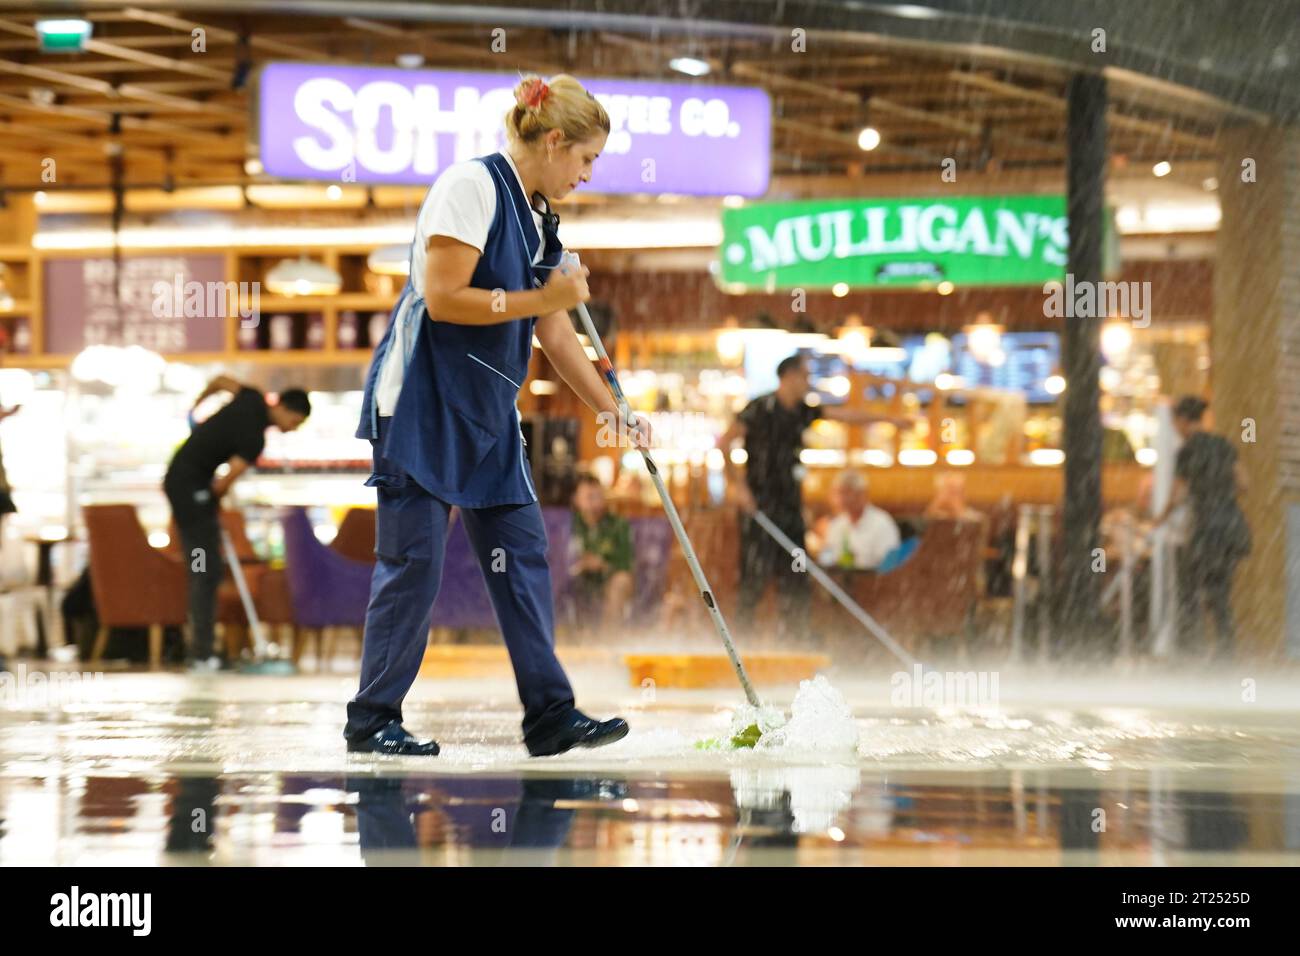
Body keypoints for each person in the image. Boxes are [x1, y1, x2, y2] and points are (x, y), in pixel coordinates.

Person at [345, 74, 650, 758]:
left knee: (525, 555)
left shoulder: (541, 217)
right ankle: (372, 719)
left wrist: (615, 411)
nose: (587, 174)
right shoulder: (470, 187)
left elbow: (556, 333)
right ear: (552, 140)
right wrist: (545, 299)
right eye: (585, 159)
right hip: (420, 404)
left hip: (487, 415)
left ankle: (549, 713)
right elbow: (447, 296)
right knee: (414, 565)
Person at [718, 353, 909, 642]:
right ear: (790, 376)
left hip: (790, 508)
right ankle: (739, 648)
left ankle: (795, 647)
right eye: (805, 376)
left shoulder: (801, 411)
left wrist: (888, 419)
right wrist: (738, 486)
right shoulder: (759, 408)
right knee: (753, 584)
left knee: (796, 582)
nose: (808, 382)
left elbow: (845, 415)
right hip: (759, 509)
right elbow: (724, 443)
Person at [163, 376, 311, 671]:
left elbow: (218, 381)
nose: (291, 428)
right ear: (285, 409)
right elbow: (226, 479)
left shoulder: (250, 396)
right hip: (191, 493)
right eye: (294, 422)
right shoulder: (254, 438)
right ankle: (201, 652)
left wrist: (196, 407)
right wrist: (213, 500)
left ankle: (201, 647)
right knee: (204, 570)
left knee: (207, 569)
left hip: (184, 484)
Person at [1155, 396, 1251, 660]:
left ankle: (1191, 651)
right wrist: (1221, 492)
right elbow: (1245, 483)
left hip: (1206, 528)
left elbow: (1178, 495)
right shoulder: (1223, 444)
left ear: (1184, 421)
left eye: (1175, 422)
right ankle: (1225, 652)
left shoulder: (1186, 451)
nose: (1175, 427)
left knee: (1190, 590)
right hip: (1231, 525)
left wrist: (1160, 519)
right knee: (1220, 591)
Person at [569, 475, 634, 631]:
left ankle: (608, 639)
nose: (594, 502)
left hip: (608, 579)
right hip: (574, 579)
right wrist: (579, 564)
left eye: (598, 496)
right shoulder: (566, 523)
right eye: (589, 497)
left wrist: (602, 565)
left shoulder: (618, 525)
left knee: (621, 581)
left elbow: (626, 563)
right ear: (576, 499)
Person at [817, 470, 900, 570]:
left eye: (847, 493)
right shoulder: (837, 524)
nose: (842, 499)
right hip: (840, 582)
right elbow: (826, 560)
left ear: (862, 494)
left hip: (873, 582)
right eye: (838, 493)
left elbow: (890, 564)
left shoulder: (882, 523)